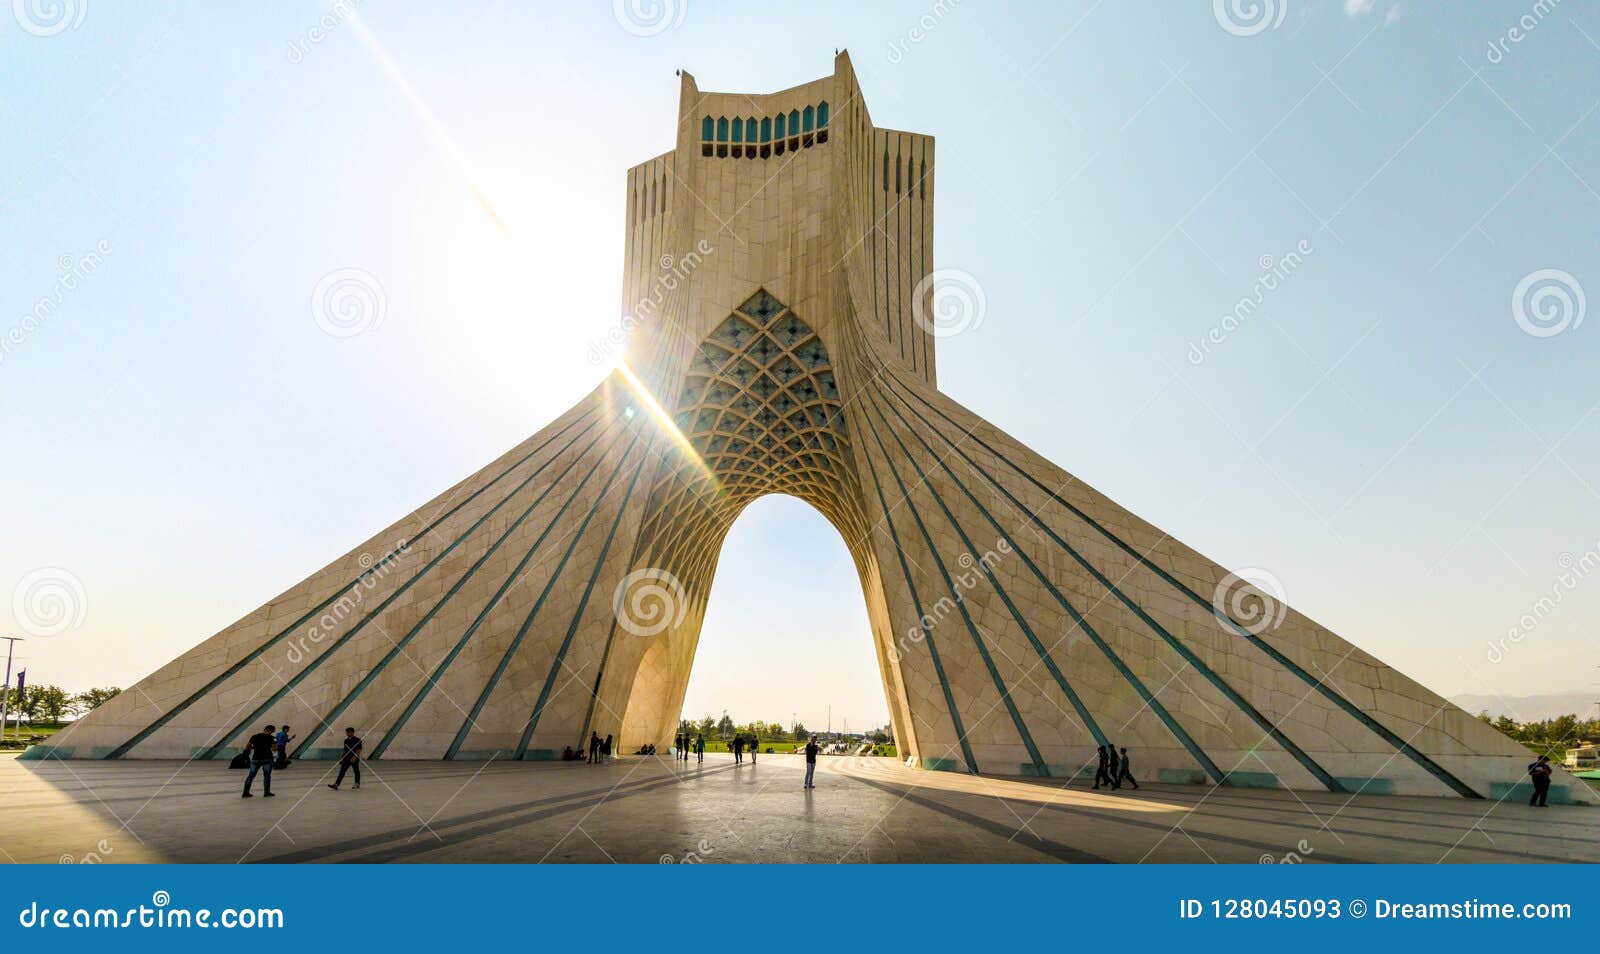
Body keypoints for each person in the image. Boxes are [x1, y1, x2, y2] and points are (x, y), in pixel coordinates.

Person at [241, 724, 277, 798]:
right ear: (271, 731)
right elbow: (274, 749)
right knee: (267, 776)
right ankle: (266, 792)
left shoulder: (254, 736)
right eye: (272, 731)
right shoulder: (272, 738)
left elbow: (247, 746)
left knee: (250, 776)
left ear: (265, 729)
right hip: (267, 759)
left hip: (255, 759)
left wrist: (255, 747)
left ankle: (245, 792)